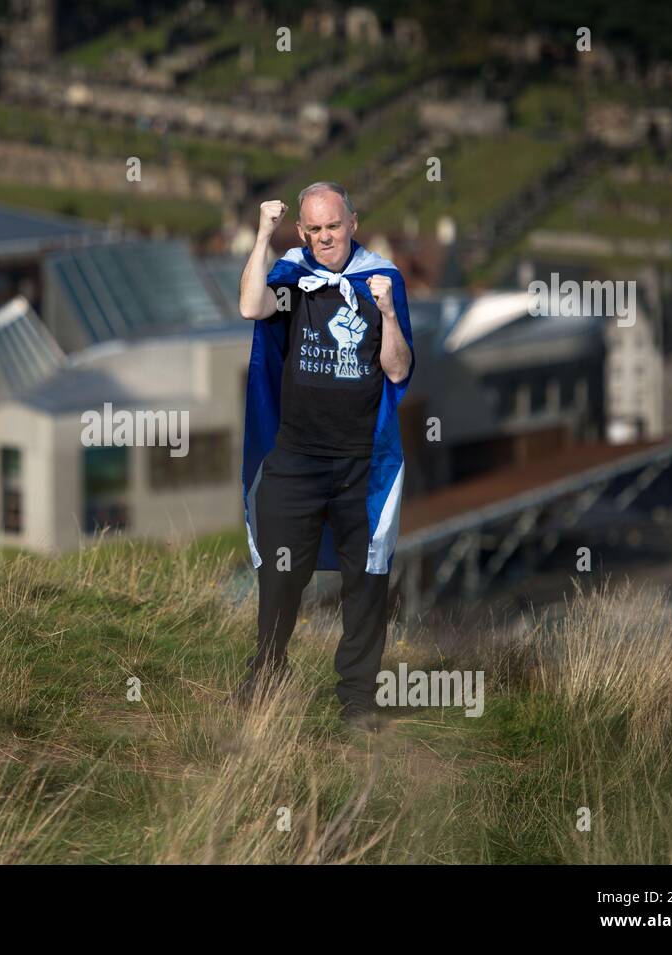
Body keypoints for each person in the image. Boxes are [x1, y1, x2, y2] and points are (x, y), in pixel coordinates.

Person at [236, 181, 416, 729]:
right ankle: (267, 674)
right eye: (312, 229)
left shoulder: (381, 279)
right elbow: (250, 306)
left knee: (366, 580)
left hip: (362, 461)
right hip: (296, 457)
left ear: (353, 222)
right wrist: (264, 233)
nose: (323, 238)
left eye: (332, 226)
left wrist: (386, 312)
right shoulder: (294, 275)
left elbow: (399, 369)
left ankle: (358, 701)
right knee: (280, 572)